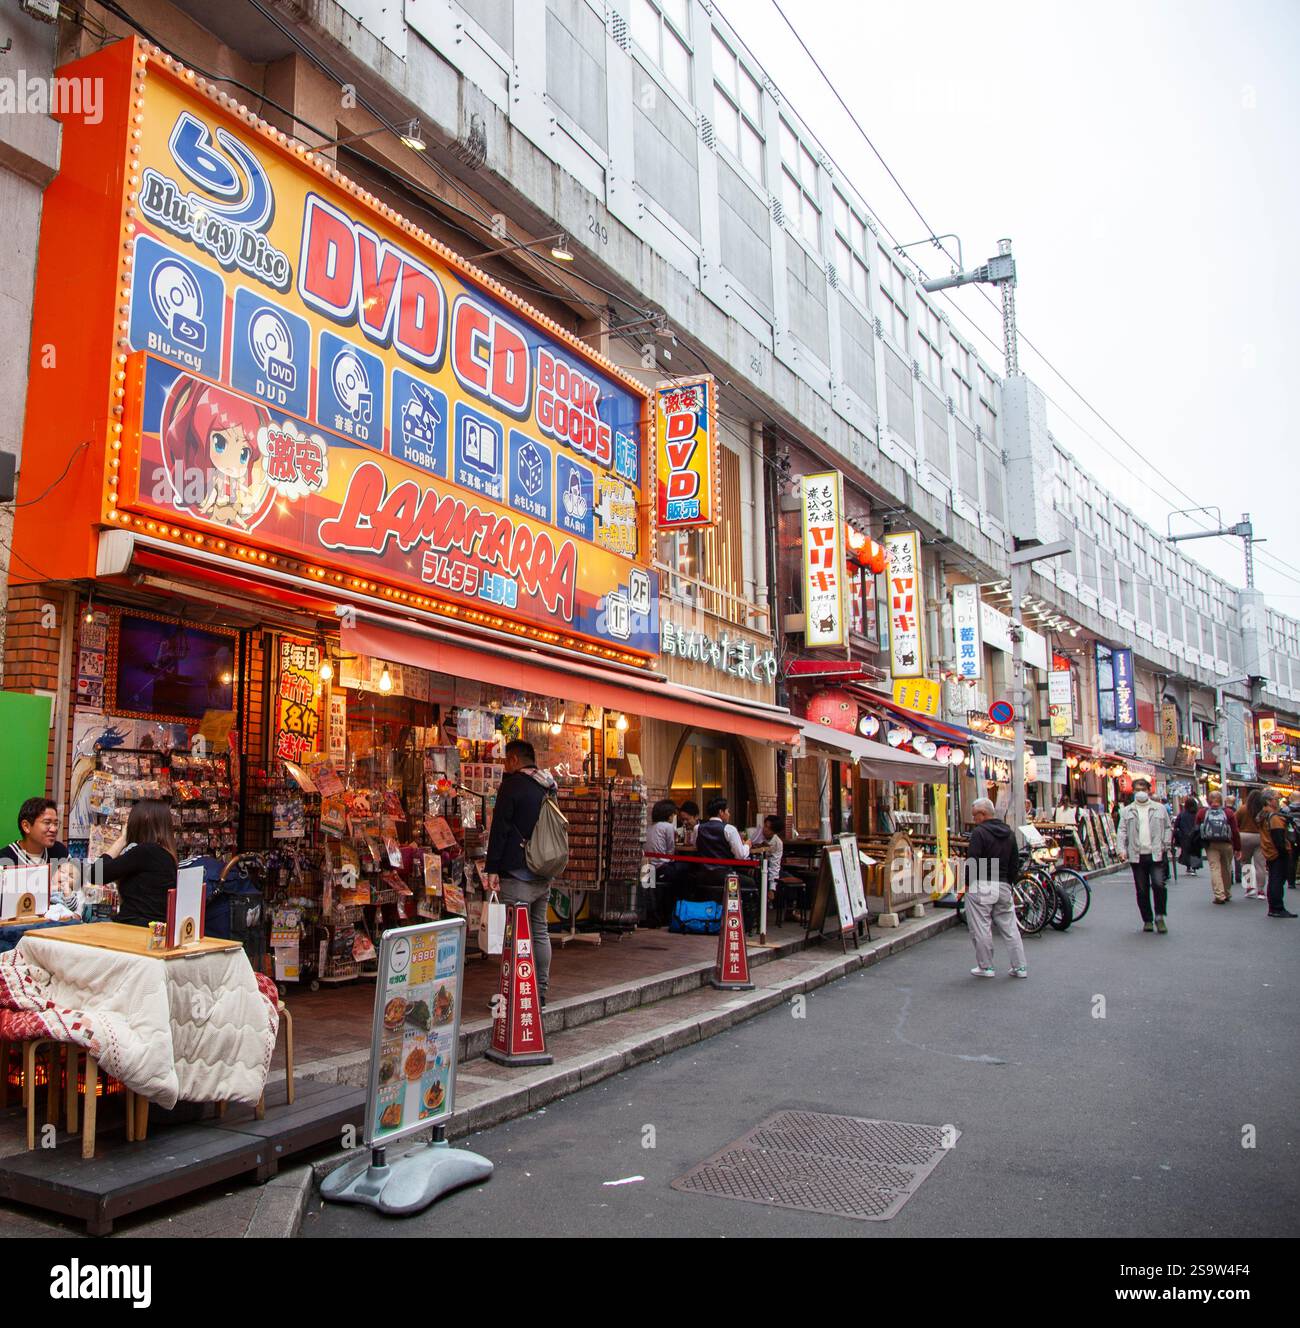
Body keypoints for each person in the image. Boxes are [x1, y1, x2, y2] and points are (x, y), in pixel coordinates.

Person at [484, 739, 558, 1003]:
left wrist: (492, 868)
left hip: (517, 873)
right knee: (539, 931)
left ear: (514, 760)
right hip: (543, 870)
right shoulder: (548, 784)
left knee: (514, 935)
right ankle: (539, 991)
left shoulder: (513, 785)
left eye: (506, 760)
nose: (505, 765)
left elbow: (500, 829)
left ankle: (515, 993)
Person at [963, 798, 1027, 978]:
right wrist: (1010, 882)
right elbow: (1015, 861)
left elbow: (973, 859)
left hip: (982, 882)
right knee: (1010, 926)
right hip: (1003, 883)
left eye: (975, 815)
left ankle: (986, 967)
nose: (974, 819)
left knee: (981, 926)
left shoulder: (979, 833)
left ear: (983, 815)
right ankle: (1020, 966)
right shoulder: (1009, 833)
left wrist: (968, 883)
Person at [89, 798, 178, 927]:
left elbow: (96, 874)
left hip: (134, 928)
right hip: (153, 929)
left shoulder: (145, 852)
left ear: (143, 820)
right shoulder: (167, 856)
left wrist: (122, 839)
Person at [1118, 778, 1174, 933]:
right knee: (1142, 889)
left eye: (1143, 789)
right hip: (1137, 855)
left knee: (1159, 885)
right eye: (1137, 789)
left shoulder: (1159, 809)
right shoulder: (1127, 810)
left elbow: (1168, 827)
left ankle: (1160, 916)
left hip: (1156, 853)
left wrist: (1166, 844)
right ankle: (1147, 919)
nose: (1140, 792)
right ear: (1133, 791)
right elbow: (1122, 831)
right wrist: (1121, 850)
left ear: (1149, 790)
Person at [1196, 790, 1241, 904]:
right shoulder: (1229, 812)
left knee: (1214, 868)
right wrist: (1238, 847)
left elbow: (1196, 828)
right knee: (1226, 867)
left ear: (1209, 800)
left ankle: (1219, 895)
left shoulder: (1202, 813)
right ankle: (1227, 892)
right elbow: (1235, 831)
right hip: (1227, 843)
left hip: (1210, 844)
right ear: (1221, 800)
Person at [0, 798, 70, 867]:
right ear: (26, 826)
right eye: (47, 822)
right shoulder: (4, 860)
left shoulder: (59, 851)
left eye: (56, 823)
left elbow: (75, 873)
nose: (54, 829)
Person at [644, 799, 681, 928]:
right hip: (661, 867)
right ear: (668, 814)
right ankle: (674, 915)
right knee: (683, 875)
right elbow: (670, 850)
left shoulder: (649, 826)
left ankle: (655, 916)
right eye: (673, 814)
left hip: (647, 868)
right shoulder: (668, 827)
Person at [1260, 791, 1296, 919]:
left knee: (1274, 879)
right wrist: (1285, 852)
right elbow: (1278, 839)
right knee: (1277, 879)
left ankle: (1274, 907)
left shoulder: (1264, 815)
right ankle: (1277, 907)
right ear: (1269, 801)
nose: (1278, 801)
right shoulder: (1274, 817)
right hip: (1276, 853)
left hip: (1269, 851)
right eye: (1276, 798)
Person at [1237, 789, 1268, 899]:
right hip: (1259, 837)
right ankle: (1261, 891)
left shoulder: (1243, 808)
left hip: (1244, 837)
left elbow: (1236, 823)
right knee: (1260, 865)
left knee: (1246, 862)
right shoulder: (1263, 810)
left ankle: (1250, 888)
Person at [1174, 796, 1202, 874]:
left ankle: (1188, 867)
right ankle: (1194, 867)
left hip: (1184, 835)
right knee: (1195, 851)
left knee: (1186, 851)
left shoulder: (1182, 814)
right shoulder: (1197, 813)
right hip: (1196, 835)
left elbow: (1177, 824)